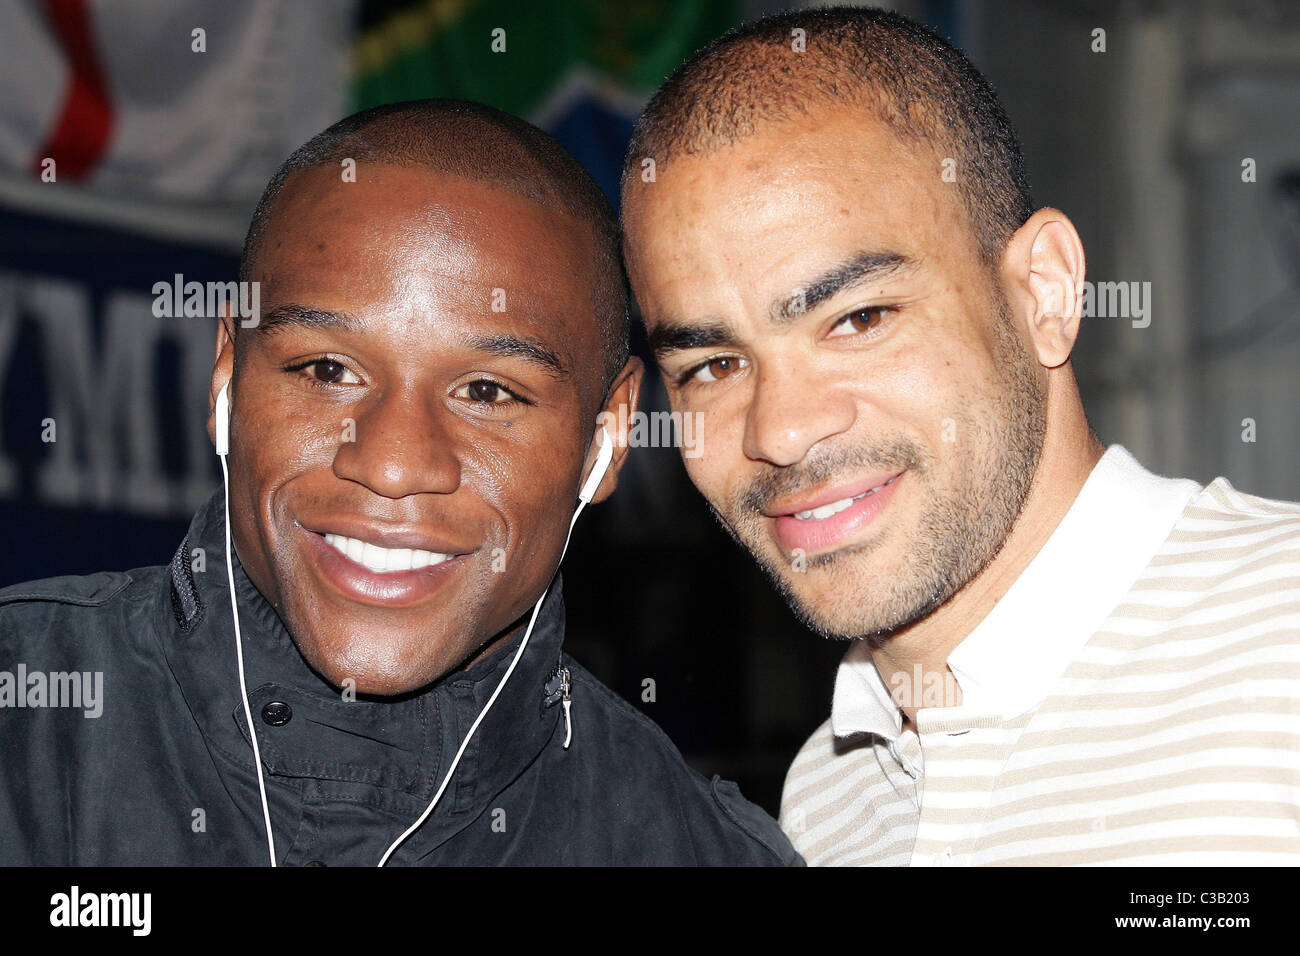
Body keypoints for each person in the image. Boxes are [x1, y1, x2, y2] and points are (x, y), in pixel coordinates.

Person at [0, 99, 798, 867]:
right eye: (327, 369)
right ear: (228, 377)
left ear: (609, 432)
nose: (390, 463)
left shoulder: (695, 849)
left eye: (488, 392)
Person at [619, 7, 1300, 865]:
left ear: (1043, 294)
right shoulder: (827, 798)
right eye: (713, 366)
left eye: (858, 318)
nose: (782, 430)